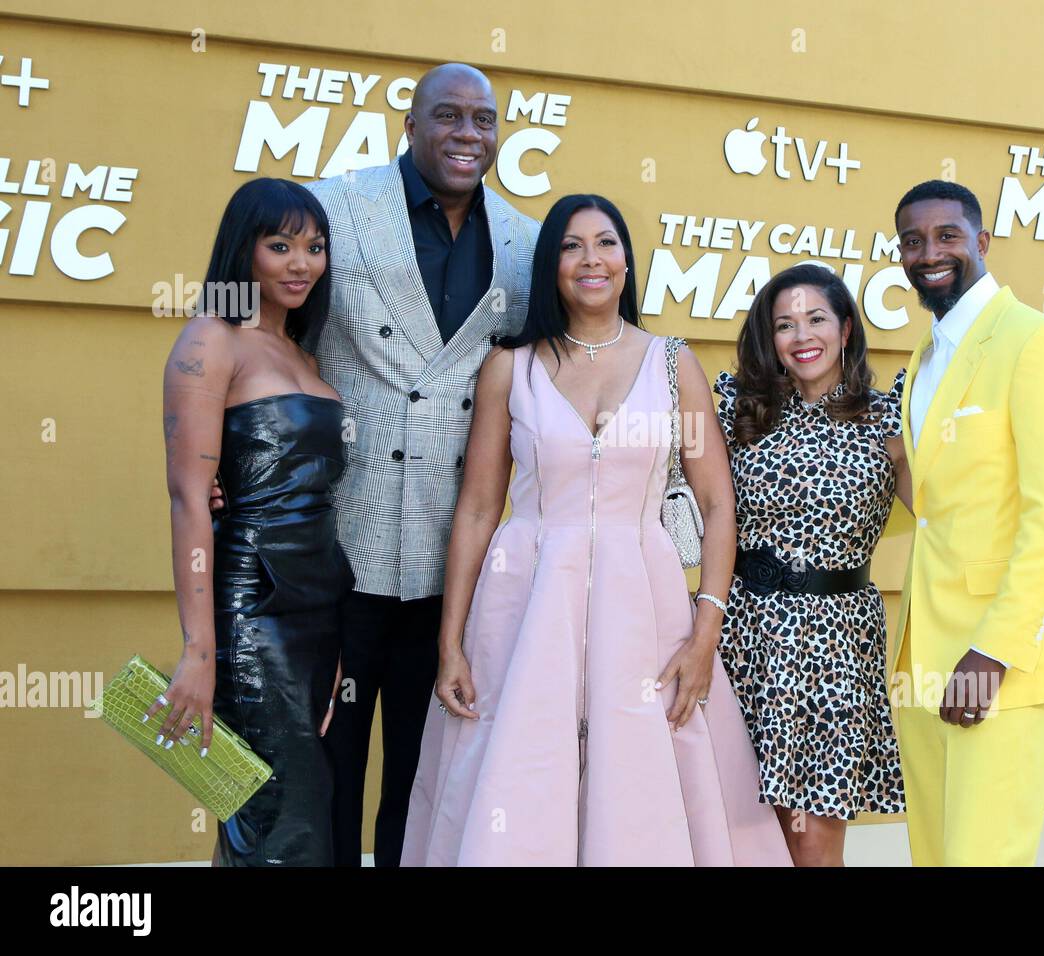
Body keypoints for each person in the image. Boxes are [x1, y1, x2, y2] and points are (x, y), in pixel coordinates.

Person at [205, 63, 539, 866]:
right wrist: (219, 447)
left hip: (454, 559)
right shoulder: (335, 207)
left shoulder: (529, 243)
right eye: (448, 117)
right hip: (330, 555)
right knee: (318, 774)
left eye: (484, 120)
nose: (468, 135)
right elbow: (230, 307)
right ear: (411, 123)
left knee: (426, 783)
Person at [400, 194, 791, 865]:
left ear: (626, 259)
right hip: (522, 606)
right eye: (571, 246)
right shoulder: (510, 367)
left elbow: (718, 504)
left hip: (644, 609)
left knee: (639, 774)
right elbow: (476, 506)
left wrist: (706, 630)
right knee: (523, 776)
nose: (591, 260)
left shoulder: (673, 364)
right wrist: (450, 641)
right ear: (550, 265)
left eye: (606, 242)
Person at [889, 180, 1044, 866]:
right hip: (924, 657)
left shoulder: (1039, 342)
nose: (930, 253)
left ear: (982, 242)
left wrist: (993, 653)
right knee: (938, 855)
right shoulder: (925, 356)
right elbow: (938, 507)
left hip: (998, 662)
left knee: (985, 858)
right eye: (913, 241)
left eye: (947, 235)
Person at [149, 177, 352, 866]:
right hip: (250, 610)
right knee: (279, 814)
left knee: (290, 810)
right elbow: (188, 500)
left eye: (315, 247)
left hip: (318, 613)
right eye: (280, 245)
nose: (302, 263)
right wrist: (199, 652)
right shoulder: (211, 340)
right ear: (245, 251)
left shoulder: (303, 354)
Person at [713, 264, 909, 866]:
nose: (802, 335)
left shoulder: (889, 418)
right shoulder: (736, 411)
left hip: (834, 645)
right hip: (741, 635)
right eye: (784, 325)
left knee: (813, 843)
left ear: (846, 328)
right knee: (736, 828)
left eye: (816, 318)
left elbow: (955, 501)